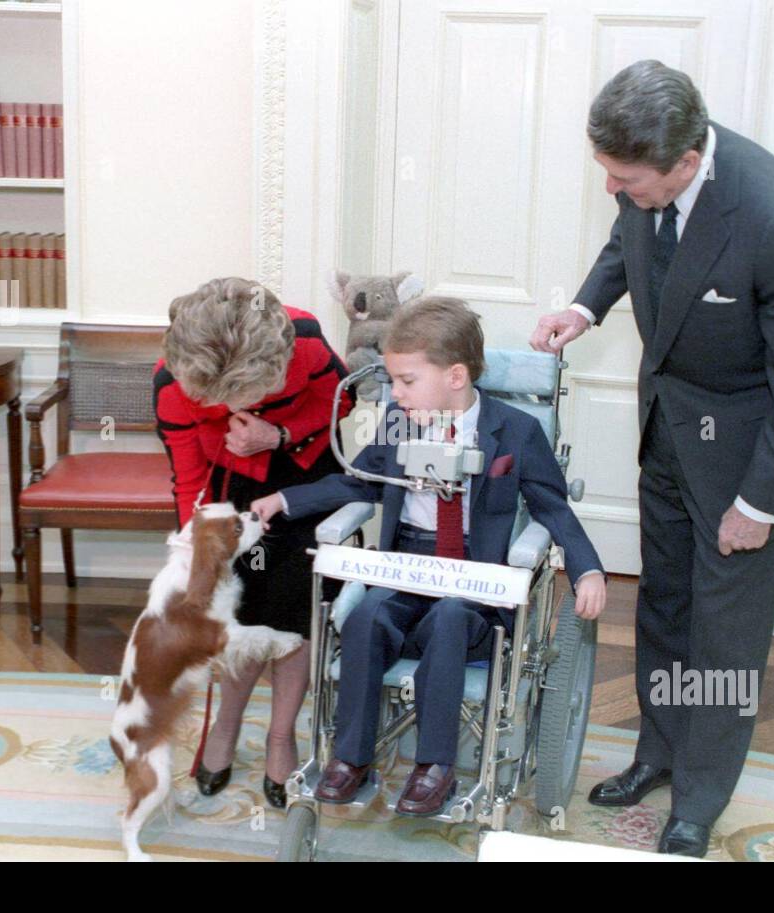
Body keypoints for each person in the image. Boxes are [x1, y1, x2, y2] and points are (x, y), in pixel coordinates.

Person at [529, 60, 774, 856]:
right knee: (664, 606)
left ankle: (699, 800)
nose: (612, 189)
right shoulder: (647, 182)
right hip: (667, 432)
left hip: (746, 462)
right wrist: (584, 307)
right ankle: (657, 755)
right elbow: (629, 240)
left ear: (688, 162)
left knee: (724, 639)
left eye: (625, 179)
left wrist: (761, 504)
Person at [252, 296, 606, 816]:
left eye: (406, 381)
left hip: (475, 577)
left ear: (455, 376)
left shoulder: (516, 431)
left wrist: (587, 568)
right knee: (365, 617)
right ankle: (350, 758)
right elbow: (362, 481)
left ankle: (434, 767)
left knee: (449, 620)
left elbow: (551, 506)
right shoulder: (401, 422)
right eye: (393, 381)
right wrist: (286, 500)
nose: (394, 393)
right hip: (408, 564)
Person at [154, 277, 354, 807]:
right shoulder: (172, 379)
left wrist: (281, 434)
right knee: (241, 606)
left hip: (308, 479)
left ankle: (281, 735)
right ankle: (227, 721)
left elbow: (344, 399)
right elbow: (187, 476)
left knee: (297, 607)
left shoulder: (304, 337)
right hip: (232, 491)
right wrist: (200, 553)